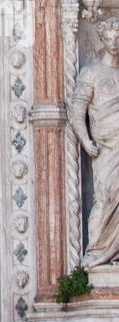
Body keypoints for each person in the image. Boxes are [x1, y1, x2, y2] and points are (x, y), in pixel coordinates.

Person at [70, 15, 119, 269]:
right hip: (106, 150)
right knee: (105, 197)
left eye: (118, 38)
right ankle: (96, 253)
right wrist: (86, 141)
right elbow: (76, 112)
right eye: (110, 37)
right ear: (102, 38)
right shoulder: (91, 73)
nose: (114, 42)